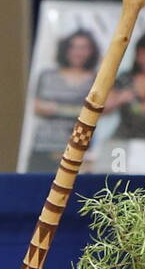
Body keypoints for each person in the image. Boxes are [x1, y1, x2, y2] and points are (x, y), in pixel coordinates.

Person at [25, 29, 100, 173]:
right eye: (74, 47)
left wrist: (56, 108)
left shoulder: (97, 79)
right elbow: (37, 106)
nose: (78, 52)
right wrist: (79, 109)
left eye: (84, 48)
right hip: (44, 145)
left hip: (79, 147)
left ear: (92, 51)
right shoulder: (47, 75)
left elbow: (102, 108)